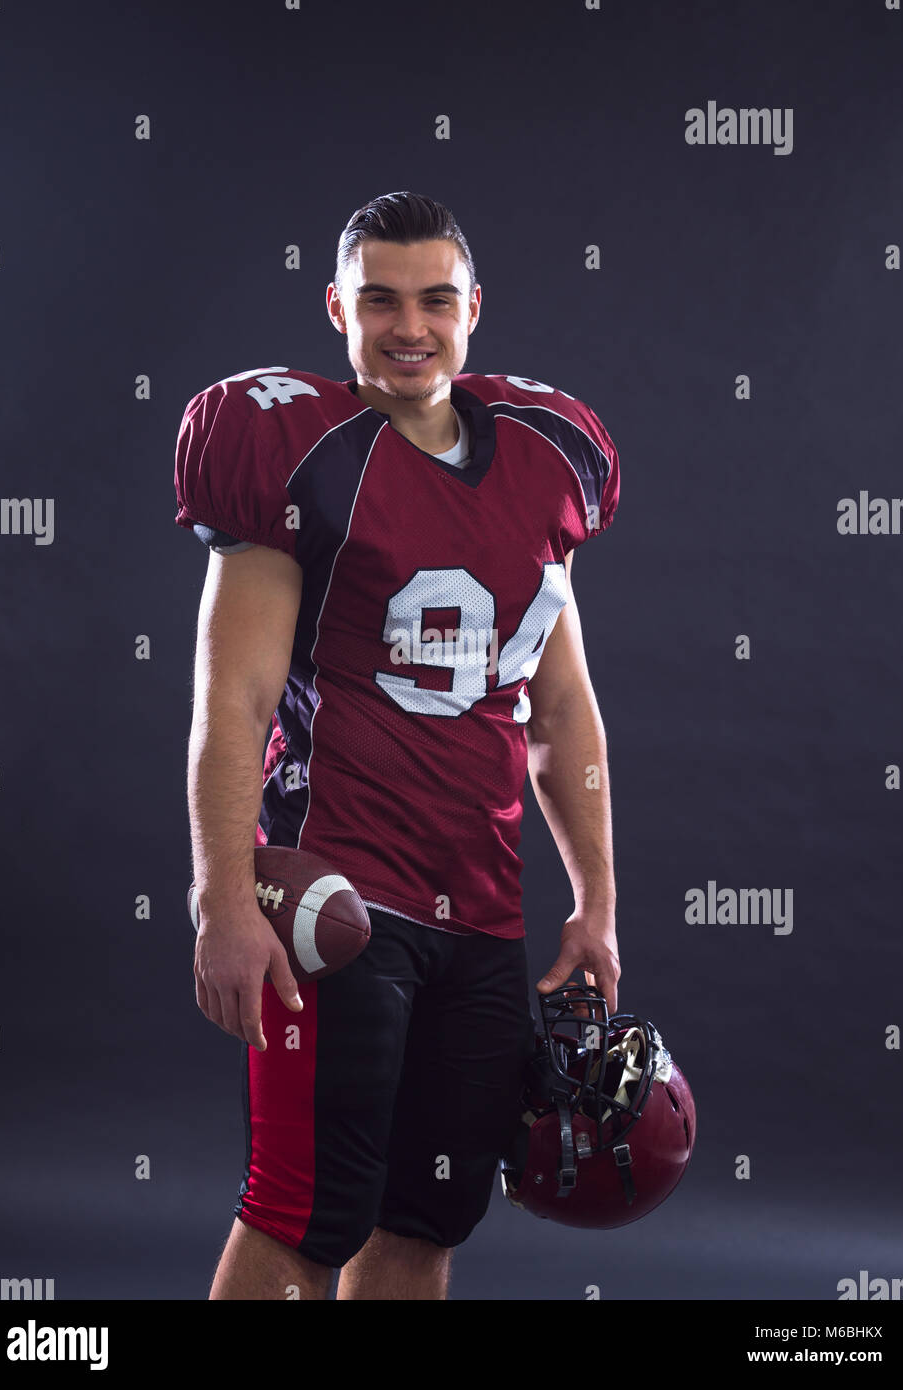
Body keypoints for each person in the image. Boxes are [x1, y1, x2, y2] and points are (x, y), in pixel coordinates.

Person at [173, 191, 621, 1301]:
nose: (406, 326)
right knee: (303, 1215)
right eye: (378, 299)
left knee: (427, 1220)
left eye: (433, 298)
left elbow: (561, 711)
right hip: (339, 903)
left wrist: (595, 902)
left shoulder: (545, 455)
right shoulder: (297, 449)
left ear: (474, 308)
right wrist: (222, 896)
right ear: (338, 306)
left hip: (480, 916)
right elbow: (234, 695)